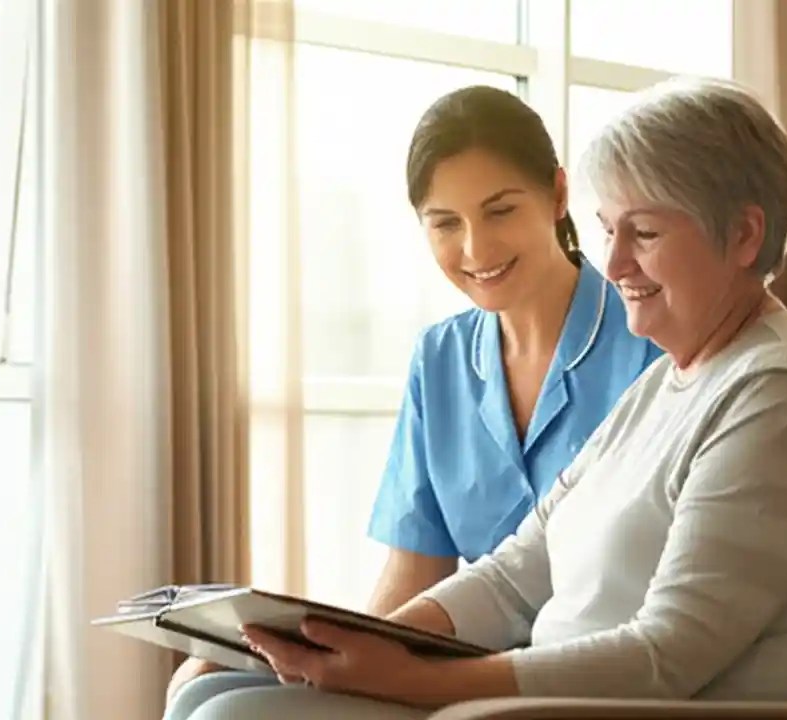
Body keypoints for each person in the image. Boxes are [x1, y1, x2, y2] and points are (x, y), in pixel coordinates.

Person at [180, 77, 787, 719]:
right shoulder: (671, 381)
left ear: (743, 235)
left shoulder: (780, 395)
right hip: (557, 704)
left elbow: (665, 657)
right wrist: (354, 644)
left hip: (634, 710)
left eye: (642, 233)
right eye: (609, 230)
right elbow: (521, 571)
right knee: (211, 691)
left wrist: (410, 679)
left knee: (232, 716)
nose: (610, 265)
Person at [164, 86, 661, 716]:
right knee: (204, 685)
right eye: (446, 223)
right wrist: (309, 654)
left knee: (224, 713)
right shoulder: (440, 360)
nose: (476, 250)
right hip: (455, 664)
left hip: (561, 680)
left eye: (501, 211)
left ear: (558, 195)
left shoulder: (648, 336)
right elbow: (415, 577)